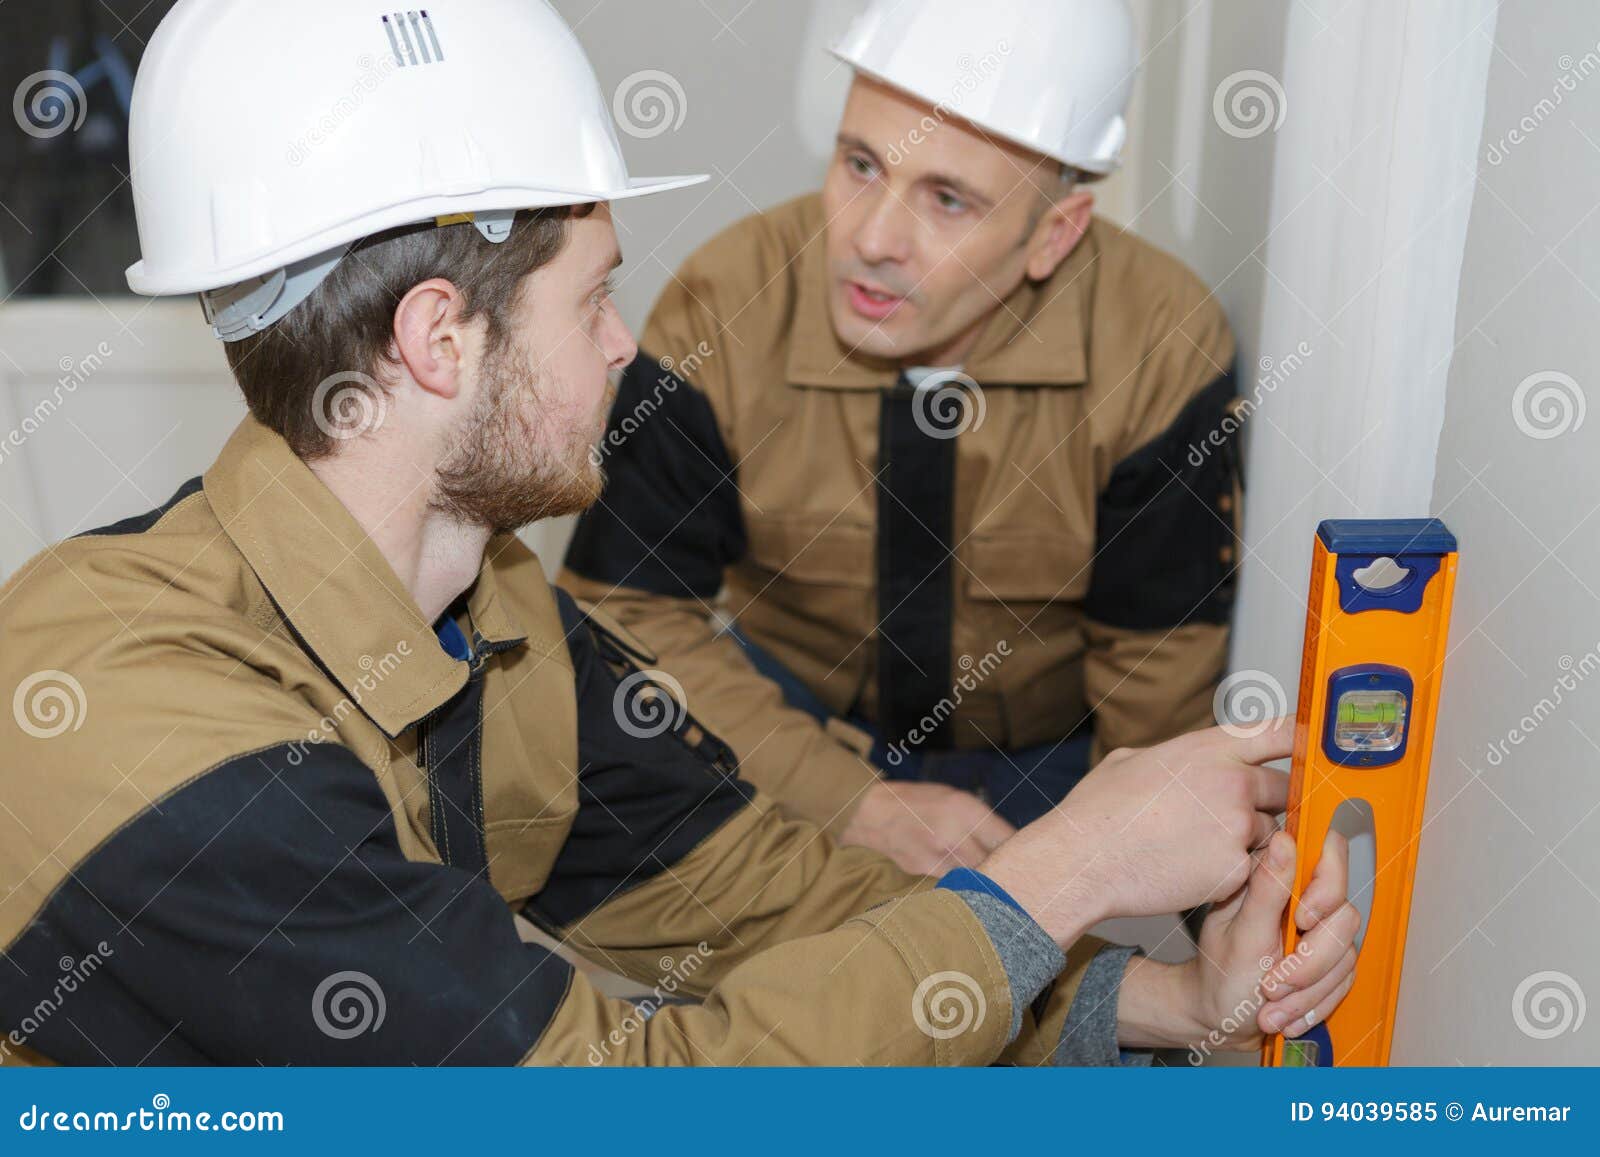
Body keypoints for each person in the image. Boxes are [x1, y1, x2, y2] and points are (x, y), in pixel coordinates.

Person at [0, 0, 1356, 1066]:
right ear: (437, 343)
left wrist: (1170, 997)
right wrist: (1076, 865)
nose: (624, 345)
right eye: (593, 299)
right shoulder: (144, 731)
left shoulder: (494, 607)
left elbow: (752, 888)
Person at [562, 0, 1244, 874]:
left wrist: (1112, 873)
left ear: (1055, 235)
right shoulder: (729, 300)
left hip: (1045, 759)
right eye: (860, 164)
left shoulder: (1157, 346)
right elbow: (625, 607)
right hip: (783, 716)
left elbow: (1156, 692)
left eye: (948, 200)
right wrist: (845, 799)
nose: (872, 240)